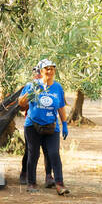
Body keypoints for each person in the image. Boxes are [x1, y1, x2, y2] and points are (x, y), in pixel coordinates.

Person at [18, 59, 70, 195]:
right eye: (47, 69)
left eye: (52, 69)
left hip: (51, 126)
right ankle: (31, 183)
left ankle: (59, 184)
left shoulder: (58, 88)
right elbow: (21, 104)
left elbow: (61, 107)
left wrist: (64, 124)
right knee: (33, 154)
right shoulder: (32, 85)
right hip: (32, 126)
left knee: (54, 154)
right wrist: (27, 96)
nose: (50, 71)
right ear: (41, 71)